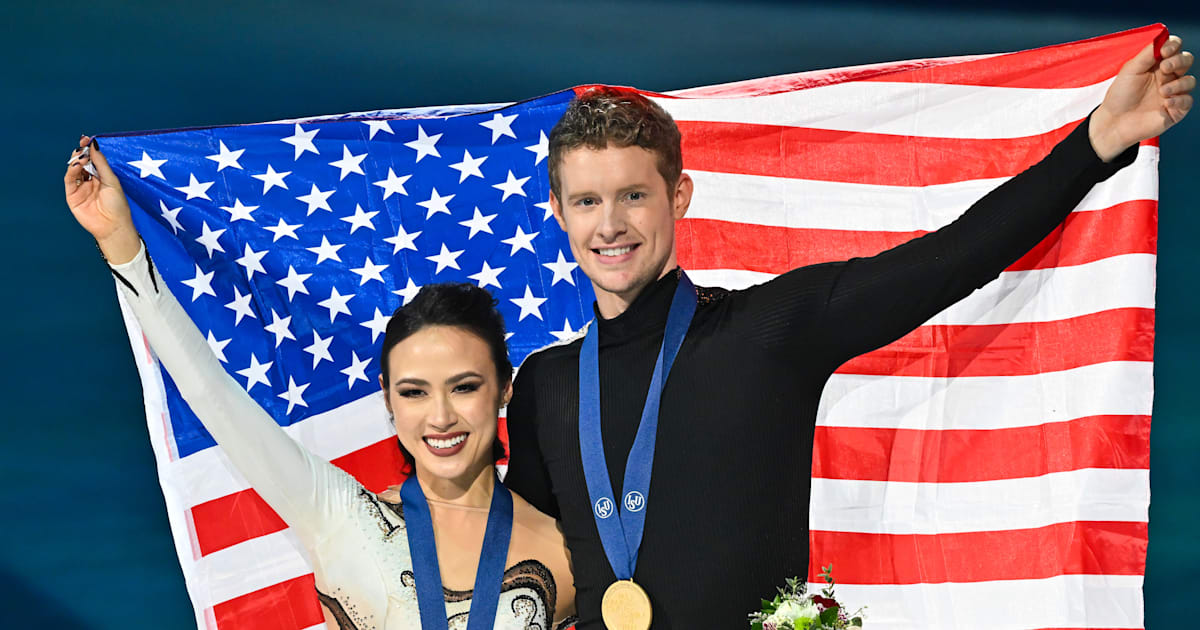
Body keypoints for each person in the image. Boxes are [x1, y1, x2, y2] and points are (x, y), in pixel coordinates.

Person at [502, 36, 1194, 629]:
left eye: (634, 195)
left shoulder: (770, 331)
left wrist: (1098, 141)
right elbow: (524, 568)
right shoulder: (545, 386)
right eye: (588, 201)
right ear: (559, 212)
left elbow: (950, 259)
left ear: (678, 197)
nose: (611, 224)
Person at [63, 141, 577, 630]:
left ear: (504, 388)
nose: (440, 416)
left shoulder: (568, 554)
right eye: (414, 392)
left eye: (463, 387)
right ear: (388, 398)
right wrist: (120, 245)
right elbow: (209, 394)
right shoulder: (338, 513)